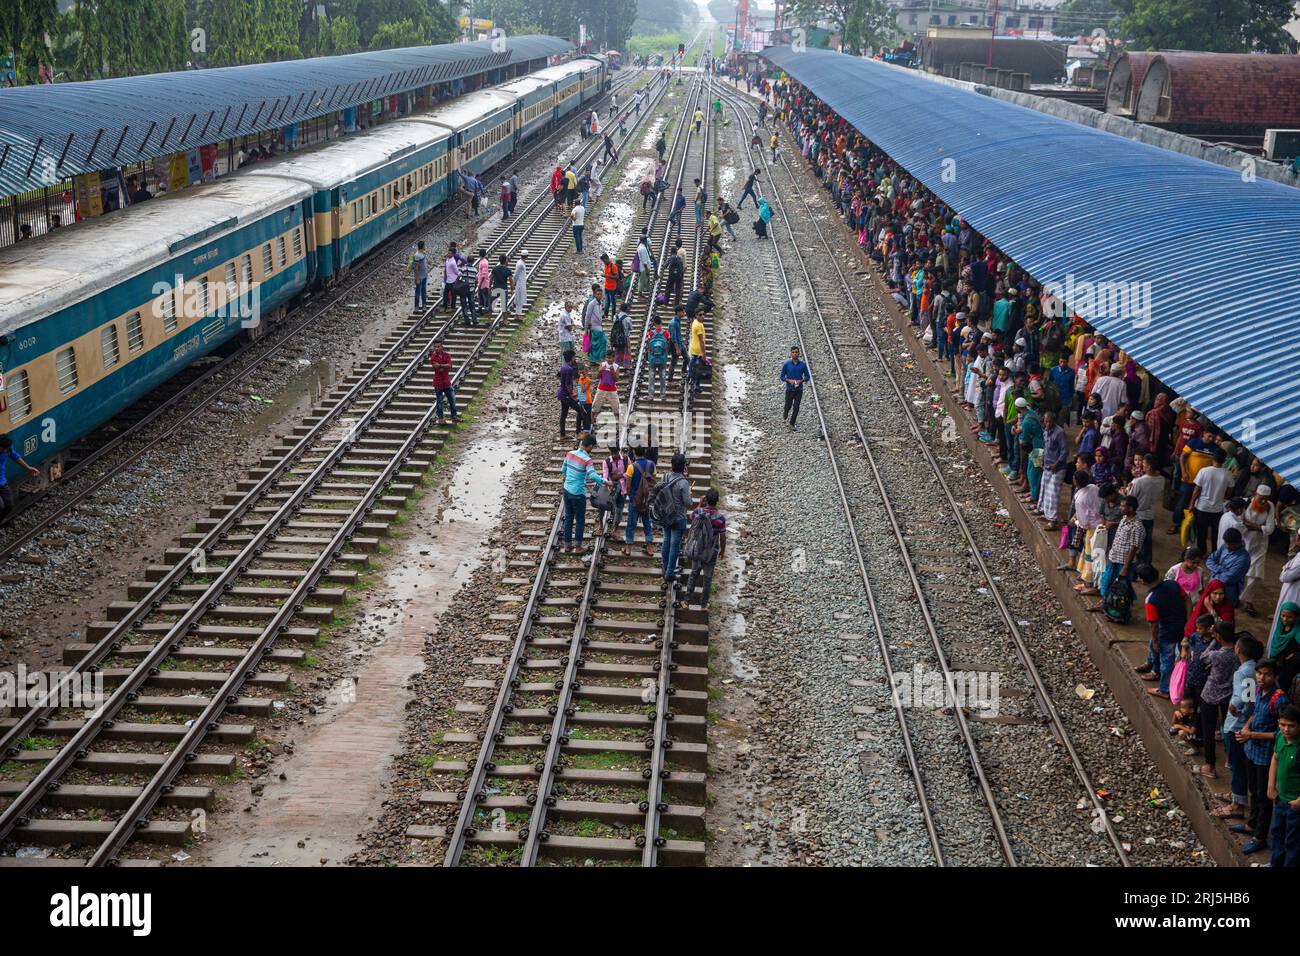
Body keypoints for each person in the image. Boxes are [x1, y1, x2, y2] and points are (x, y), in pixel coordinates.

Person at [1236, 657, 1289, 854]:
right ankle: (1251, 824)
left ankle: (1259, 837)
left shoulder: (1279, 698)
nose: (1261, 677)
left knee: (1263, 796)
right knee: (1253, 789)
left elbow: (1282, 731)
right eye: (1259, 673)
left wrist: (1253, 734)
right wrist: (1247, 726)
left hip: (1266, 755)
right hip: (1252, 749)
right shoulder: (1259, 691)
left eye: (1266, 674)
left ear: (1275, 677)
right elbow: (1256, 712)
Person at [1196, 620, 1240, 778]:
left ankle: (1210, 765)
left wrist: (1214, 640)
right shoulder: (1237, 653)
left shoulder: (1216, 655)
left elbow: (1202, 658)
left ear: (1219, 636)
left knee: (1209, 731)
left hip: (1211, 694)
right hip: (1229, 694)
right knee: (1228, 728)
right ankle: (1229, 758)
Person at [1138, 563, 1187, 699]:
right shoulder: (1173, 584)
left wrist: (1155, 641)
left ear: (1143, 580)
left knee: (1167, 659)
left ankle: (1164, 688)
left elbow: (1153, 625)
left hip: (1166, 632)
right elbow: (1186, 600)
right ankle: (1155, 669)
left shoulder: (1151, 600)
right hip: (1181, 626)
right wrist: (1188, 621)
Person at [681, 488, 726, 609]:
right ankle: (703, 605)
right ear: (717, 501)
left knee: (694, 574)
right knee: (707, 578)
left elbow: (691, 516)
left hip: (698, 549)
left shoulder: (699, 513)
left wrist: (700, 503)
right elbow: (722, 536)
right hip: (711, 551)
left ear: (706, 499)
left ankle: (686, 602)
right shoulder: (720, 518)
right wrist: (722, 550)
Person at [1267, 705, 1300, 866]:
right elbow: (1275, 758)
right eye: (1282, 724)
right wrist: (1271, 785)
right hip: (1280, 799)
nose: (1286, 729)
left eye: (1291, 726)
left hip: (1295, 804)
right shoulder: (1280, 737)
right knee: (1277, 835)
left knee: (1292, 843)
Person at [561, 434, 605, 554]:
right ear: (590, 446)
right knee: (580, 519)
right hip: (578, 494)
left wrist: (565, 476)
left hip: (566, 490)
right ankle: (578, 547)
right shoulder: (587, 460)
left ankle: (567, 545)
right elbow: (592, 475)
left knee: (569, 517)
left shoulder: (570, 453)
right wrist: (605, 482)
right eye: (592, 447)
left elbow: (563, 469)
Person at [657, 452, 694, 585]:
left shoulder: (665, 476)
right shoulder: (683, 482)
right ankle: (670, 573)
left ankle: (666, 568)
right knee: (674, 545)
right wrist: (690, 495)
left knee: (666, 540)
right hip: (678, 517)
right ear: (683, 466)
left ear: (671, 465)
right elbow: (688, 502)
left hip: (665, 515)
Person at [1241, 485, 1276, 615]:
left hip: (1260, 545)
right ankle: (1235, 597)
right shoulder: (1246, 502)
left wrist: (1253, 526)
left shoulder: (1270, 506)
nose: (1263, 502)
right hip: (1244, 543)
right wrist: (1260, 527)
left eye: (1266, 499)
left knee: (1256, 575)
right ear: (1256, 494)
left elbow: (1270, 529)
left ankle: (1248, 601)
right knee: (1240, 570)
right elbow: (1240, 522)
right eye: (1261, 499)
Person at [1188, 447, 1229, 554]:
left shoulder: (1204, 471)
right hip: (1218, 509)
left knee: (1202, 533)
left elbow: (1197, 490)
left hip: (1202, 507)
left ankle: (1202, 552)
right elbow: (1231, 489)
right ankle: (1215, 553)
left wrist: (1192, 504)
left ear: (1213, 458)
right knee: (1216, 534)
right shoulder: (1227, 474)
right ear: (1224, 460)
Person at [625, 446, 656, 556]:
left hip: (635, 500)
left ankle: (628, 547)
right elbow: (653, 481)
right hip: (647, 500)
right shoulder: (652, 464)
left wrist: (630, 496)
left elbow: (628, 486)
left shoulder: (631, 467)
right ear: (645, 451)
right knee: (647, 523)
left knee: (631, 524)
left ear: (633, 452)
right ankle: (650, 547)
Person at [0, 435, 40, 521]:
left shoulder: (7, 448)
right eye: (2, 449)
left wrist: (28, 468)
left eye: (5, 450)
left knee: (9, 506)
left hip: (2, 483)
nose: (4, 451)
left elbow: (14, 455)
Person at [1207, 528, 1250, 607]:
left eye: (1230, 544)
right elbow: (1210, 560)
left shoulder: (1243, 559)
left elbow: (1227, 578)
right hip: (1213, 589)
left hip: (1228, 594)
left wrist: (1213, 574)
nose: (1227, 546)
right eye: (1226, 543)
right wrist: (1221, 569)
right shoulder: (1225, 546)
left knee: (1224, 616)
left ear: (1238, 543)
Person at [429, 340, 460, 424]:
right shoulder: (433, 358)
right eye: (435, 346)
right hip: (438, 382)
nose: (436, 348)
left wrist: (440, 365)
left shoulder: (447, 355)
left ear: (442, 346)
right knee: (439, 402)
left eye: (438, 346)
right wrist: (444, 366)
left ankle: (454, 417)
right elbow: (439, 369)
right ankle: (441, 419)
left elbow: (449, 366)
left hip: (447, 382)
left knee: (452, 400)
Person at [780, 345, 810, 429]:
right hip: (789, 389)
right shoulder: (787, 364)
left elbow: (807, 376)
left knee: (796, 407)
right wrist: (789, 381)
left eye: (796, 352)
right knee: (788, 405)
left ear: (799, 353)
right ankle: (785, 412)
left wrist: (801, 381)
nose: (795, 354)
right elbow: (782, 376)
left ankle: (792, 423)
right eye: (793, 352)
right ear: (790, 353)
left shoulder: (803, 365)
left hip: (799, 389)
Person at [590, 356, 620, 428]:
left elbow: (616, 379)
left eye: (610, 358)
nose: (608, 359)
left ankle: (619, 421)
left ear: (613, 358)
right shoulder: (602, 364)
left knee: (616, 406)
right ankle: (591, 420)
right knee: (596, 404)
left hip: (612, 389)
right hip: (602, 388)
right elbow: (597, 377)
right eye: (607, 358)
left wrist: (613, 372)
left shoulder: (616, 366)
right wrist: (600, 370)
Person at [557, 353, 581, 438]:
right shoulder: (569, 369)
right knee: (580, 411)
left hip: (561, 393)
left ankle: (562, 435)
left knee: (564, 414)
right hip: (565, 395)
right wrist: (572, 394)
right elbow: (568, 384)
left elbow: (558, 376)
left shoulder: (564, 366)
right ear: (571, 358)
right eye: (574, 357)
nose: (575, 359)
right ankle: (578, 433)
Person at [646, 316, 670, 399]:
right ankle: (662, 394)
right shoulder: (666, 333)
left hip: (652, 358)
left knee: (651, 376)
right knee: (662, 376)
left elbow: (649, 346)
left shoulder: (651, 333)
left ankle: (651, 395)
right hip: (663, 358)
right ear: (661, 322)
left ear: (654, 323)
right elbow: (668, 345)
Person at [687, 302, 708, 396]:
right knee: (699, 370)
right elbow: (701, 341)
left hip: (693, 348)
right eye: (700, 315)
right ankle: (696, 386)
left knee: (692, 363)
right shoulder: (698, 326)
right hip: (698, 349)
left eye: (704, 314)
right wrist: (704, 354)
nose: (703, 316)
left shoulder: (695, 322)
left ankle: (689, 376)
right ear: (696, 315)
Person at [410, 241, 430, 310]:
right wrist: (417, 278)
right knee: (418, 292)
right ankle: (416, 307)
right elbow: (416, 268)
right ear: (422, 246)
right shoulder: (417, 255)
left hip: (424, 275)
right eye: (425, 245)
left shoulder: (422, 253)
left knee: (424, 291)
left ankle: (424, 305)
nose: (425, 247)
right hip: (420, 277)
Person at [512, 251, 528, 318]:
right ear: (527, 256)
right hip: (520, 283)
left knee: (520, 299)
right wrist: (514, 282)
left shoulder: (520, 262)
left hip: (521, 283)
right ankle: (517, 315)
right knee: (519, 299)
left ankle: (518, 314)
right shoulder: (521, 264)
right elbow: (516, 274)